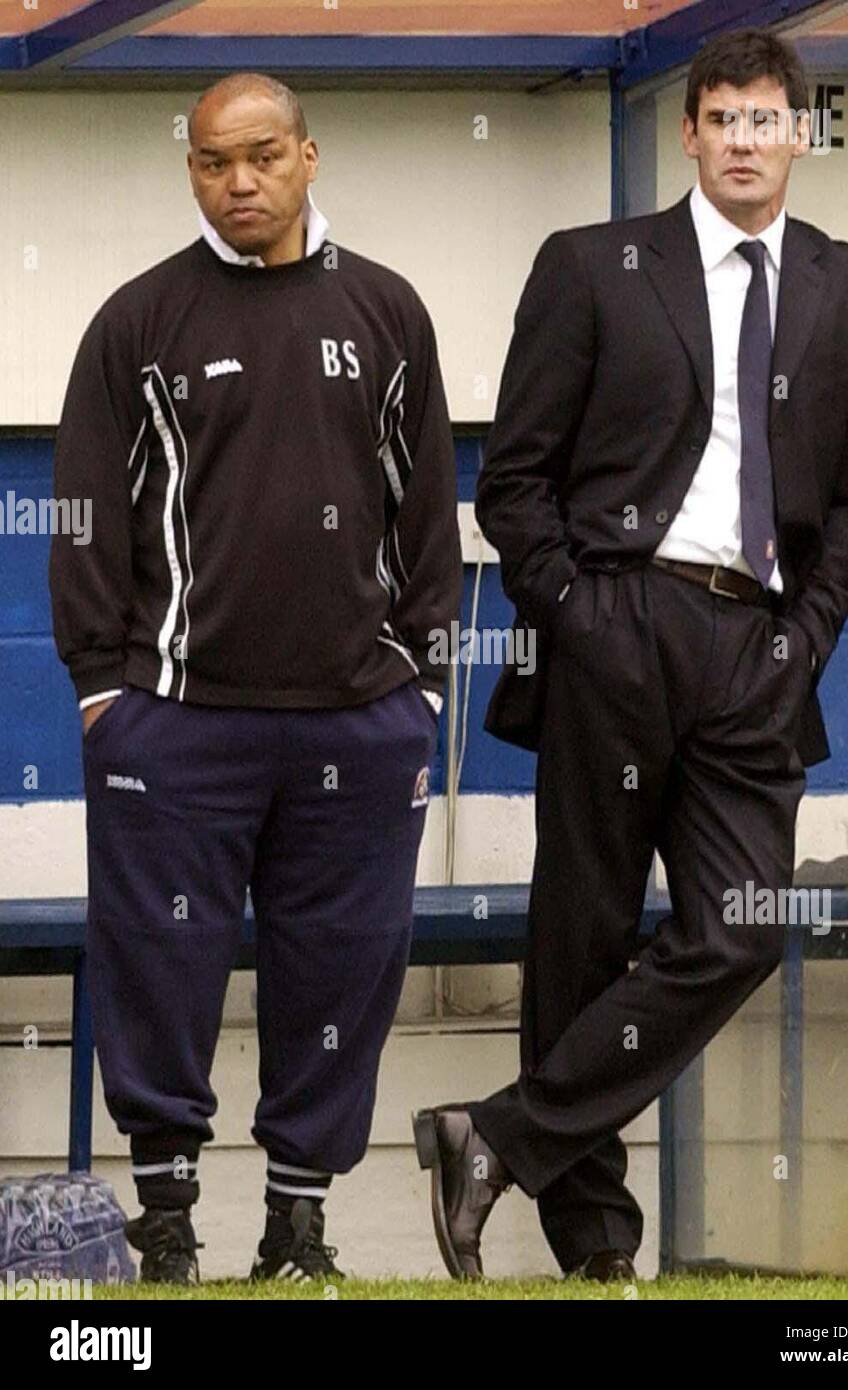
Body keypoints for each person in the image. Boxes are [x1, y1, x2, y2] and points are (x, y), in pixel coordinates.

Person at [414, 27, 848, 1281]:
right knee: (584, 933)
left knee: (739, 923)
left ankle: (495, 1137)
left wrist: (803, 639)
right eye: (719, 118)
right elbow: (513, 483)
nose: (740, 139)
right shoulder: (594, 267)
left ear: (801, 134)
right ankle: (598, 1249)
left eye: (762, 119)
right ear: (687, 136)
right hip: (616, 622)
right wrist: (577, 613)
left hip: (757, 645)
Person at [49, 72, 461, 1284]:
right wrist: (100, 691)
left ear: (309, 157)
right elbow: (82, 515)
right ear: (191, 171)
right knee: (158, 969)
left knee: (337, 972)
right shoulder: (138, 321)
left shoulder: (386, 310)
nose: (239, 183)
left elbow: (428, 509)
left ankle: (298, 1228)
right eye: (213, 163)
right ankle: (166, 1225)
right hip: (173, 726)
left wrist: (421, 688)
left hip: (358, 722)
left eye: (262, 158)